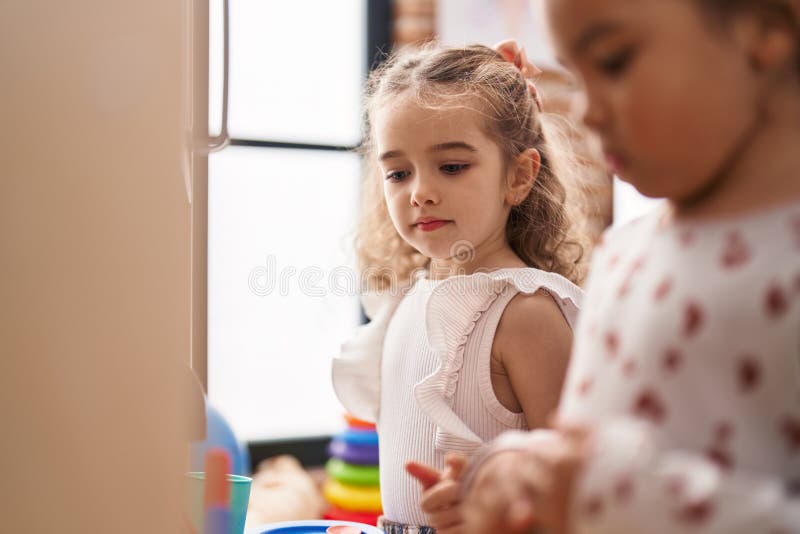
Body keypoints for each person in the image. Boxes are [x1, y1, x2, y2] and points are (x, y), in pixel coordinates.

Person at [456, 1, 800, 532]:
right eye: (576, 76)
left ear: (763, 30)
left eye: (613, 62)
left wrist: (603, 496)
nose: (586, 112)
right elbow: (596, 447)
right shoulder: (623, 254)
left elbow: (612, 482)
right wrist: (515, 474)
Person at [331, 42, 587, 533]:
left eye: (450, 167)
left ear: (518, 176)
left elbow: (573, 499)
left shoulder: (525, 313)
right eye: (398, 173)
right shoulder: (406, 301)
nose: (419, 192)